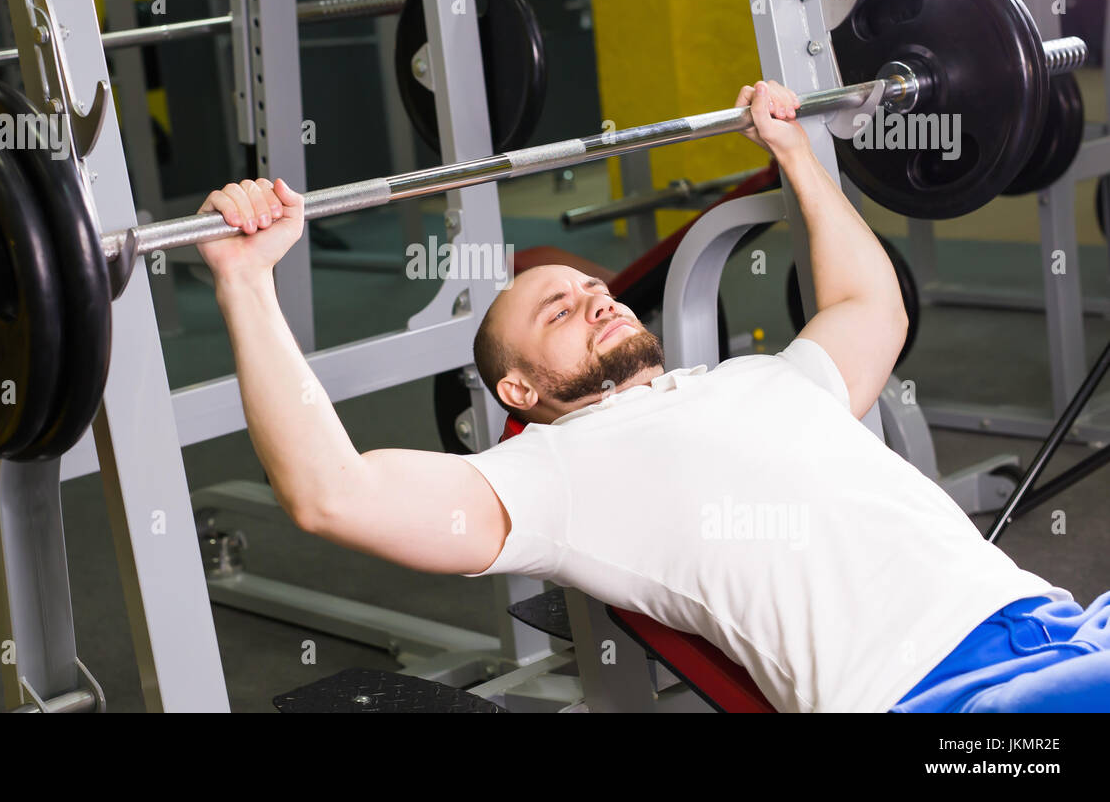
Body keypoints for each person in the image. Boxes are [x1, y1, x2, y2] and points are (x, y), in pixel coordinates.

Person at [196, 81, 1110, 713]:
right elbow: (331, 492)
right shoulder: (548, 475)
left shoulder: (767, 378)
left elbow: (870, 306)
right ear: (517, 389)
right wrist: (246, 281)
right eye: (558, 308)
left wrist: (796, 152)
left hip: (1058, 625)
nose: (593, 295)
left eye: (592, 289)